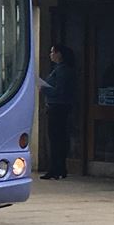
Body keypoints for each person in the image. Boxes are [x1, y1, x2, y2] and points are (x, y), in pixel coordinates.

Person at [41, 43, 76, 179]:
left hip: (57, 107)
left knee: (56, 139)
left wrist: (44, 88)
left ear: (59, 54)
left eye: (52, 52)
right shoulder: (59, 69)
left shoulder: (62, 70)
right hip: (59, 107)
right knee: (59, 139)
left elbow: (59, 91)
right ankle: (59, 168)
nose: (51, 55)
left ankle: (56, 168)